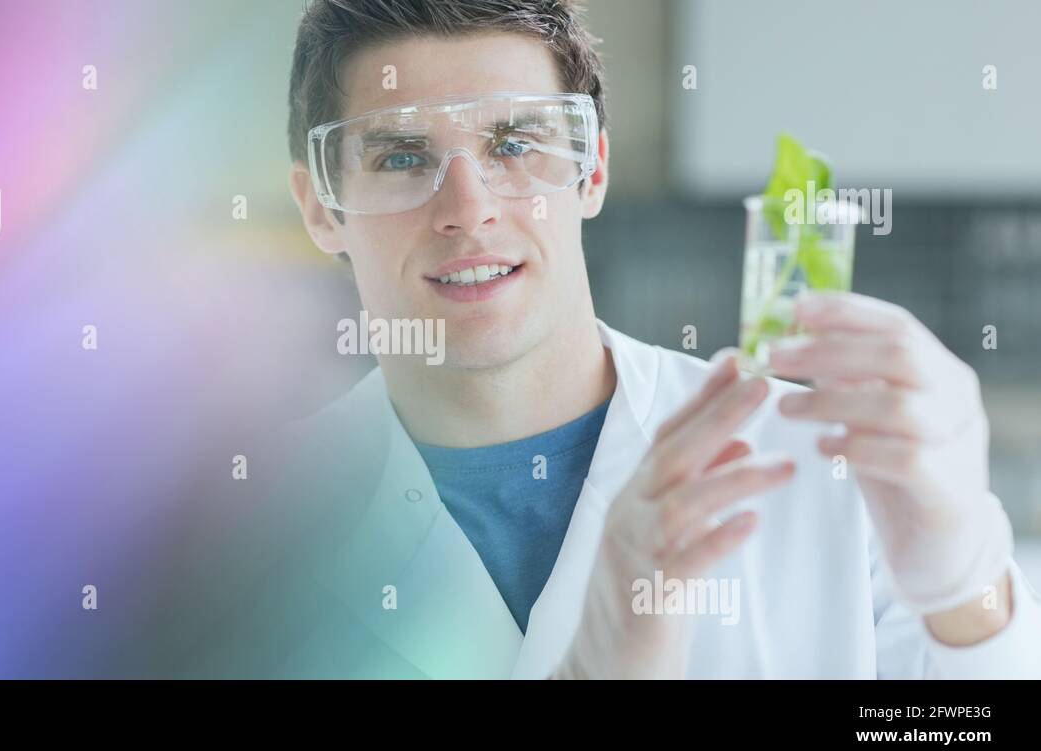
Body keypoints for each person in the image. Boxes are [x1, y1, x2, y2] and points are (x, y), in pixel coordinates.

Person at [257, 0, 1041, 678]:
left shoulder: (819, 466)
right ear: (321, 207)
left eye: (515, 143)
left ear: (593, 167)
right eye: (401, 156)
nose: (469, 208)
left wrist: (966, 595)